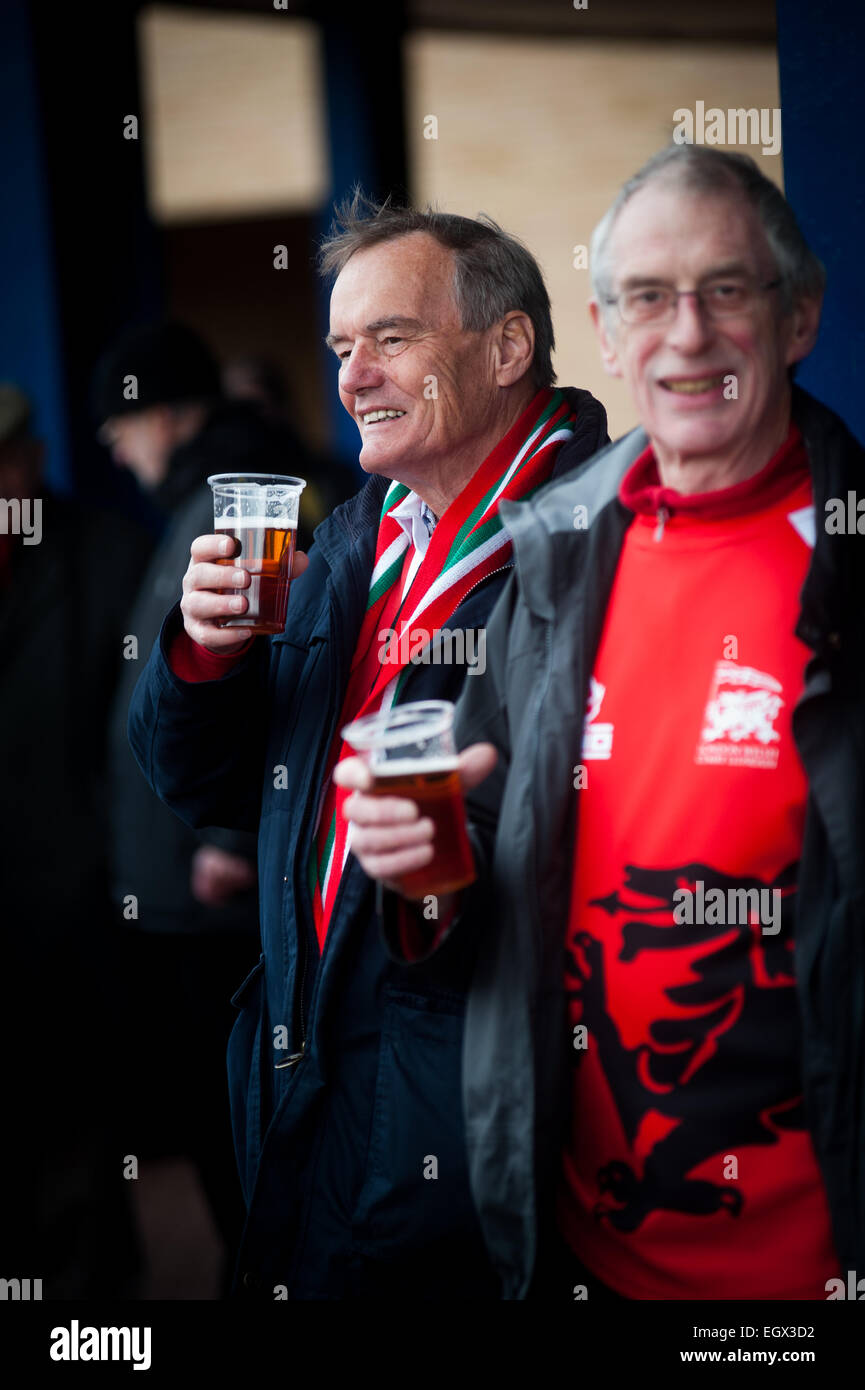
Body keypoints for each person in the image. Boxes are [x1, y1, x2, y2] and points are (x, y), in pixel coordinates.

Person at [340, 145, 865, 1301]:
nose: (685, 334)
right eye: (645, 297)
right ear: (606, 329)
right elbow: (461, 864)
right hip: (575, 1256)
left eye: (726, 289)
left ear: (798, 317)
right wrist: (423, 867)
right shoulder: (556, 551)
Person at [126, 197, 609, 1298]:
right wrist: (205, 655)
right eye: (342, 348)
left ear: (506, 346)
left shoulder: (603, 541)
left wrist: (450, 854)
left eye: (390, 338)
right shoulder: (350, 537)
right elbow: (205, 788)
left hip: (480, 1110)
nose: (351, 377)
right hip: (313, 1073)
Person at [96, 320, 316, 1292]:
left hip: (214, 883)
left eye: (123, 421)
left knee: (239, 1122)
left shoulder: (245, 496)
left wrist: (231, 832)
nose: (112, 443)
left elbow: (286, 670)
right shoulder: (196, 495)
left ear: (166, 413)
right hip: (181, 876)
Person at [0, 383, 149, 1296]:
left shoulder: (113, 555)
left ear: (32, 461)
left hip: (77, 907)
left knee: (81, 1141)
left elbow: (142, 746)